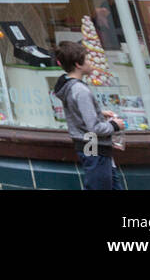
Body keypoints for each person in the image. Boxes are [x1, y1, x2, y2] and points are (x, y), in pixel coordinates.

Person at [53, 40, 125, 189]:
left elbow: (78, 112)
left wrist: (99, 112)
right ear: (78, 65)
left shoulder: (70, 86)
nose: (91, 62)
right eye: (87, 59)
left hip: (90, 146)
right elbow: (94, 127)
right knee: (99, 185)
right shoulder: (81, 91)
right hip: (94, 146)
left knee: (111, 184)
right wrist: (114, 125)